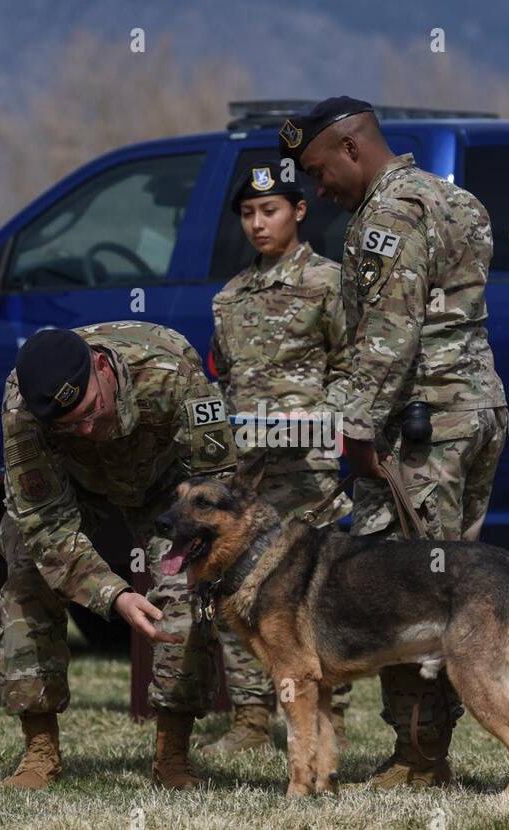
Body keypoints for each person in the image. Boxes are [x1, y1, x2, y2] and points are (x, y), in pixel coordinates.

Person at [281, 97, 509, 788]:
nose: (318, 188)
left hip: (421, 428)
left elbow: (388, 341)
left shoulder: (385, 215)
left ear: (352, 147)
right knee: (453, 587)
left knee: (403, 587)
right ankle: (429, 748)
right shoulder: (458, 199)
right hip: (475, 410)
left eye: (320, 170)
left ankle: (419, 757)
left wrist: (351, 431)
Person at [0, 322, 238, 788]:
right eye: (69, 426)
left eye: (90, 410)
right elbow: (45, 524)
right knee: (25, 576)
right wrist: (115, 595)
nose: (86, 428)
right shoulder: (22, 409)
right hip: (75, 489)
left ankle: (173, 754)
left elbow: (215, 481)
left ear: (102, 367)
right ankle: (39, 749)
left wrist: (195, 556)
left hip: (167, 489)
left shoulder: (171, 370)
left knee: (188, 591)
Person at [202, 163, 353, 754]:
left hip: (309, 471)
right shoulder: (229, 298)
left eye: (270, 211)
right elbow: (225, 378)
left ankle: (326, 720)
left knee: (317, 597)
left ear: (299, 211)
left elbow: (353, 368)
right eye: (248, 214)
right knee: (237, 595)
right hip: (246, 477)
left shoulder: (330, 283)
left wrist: (322, 415)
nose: (259, 224)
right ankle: (248, 721)